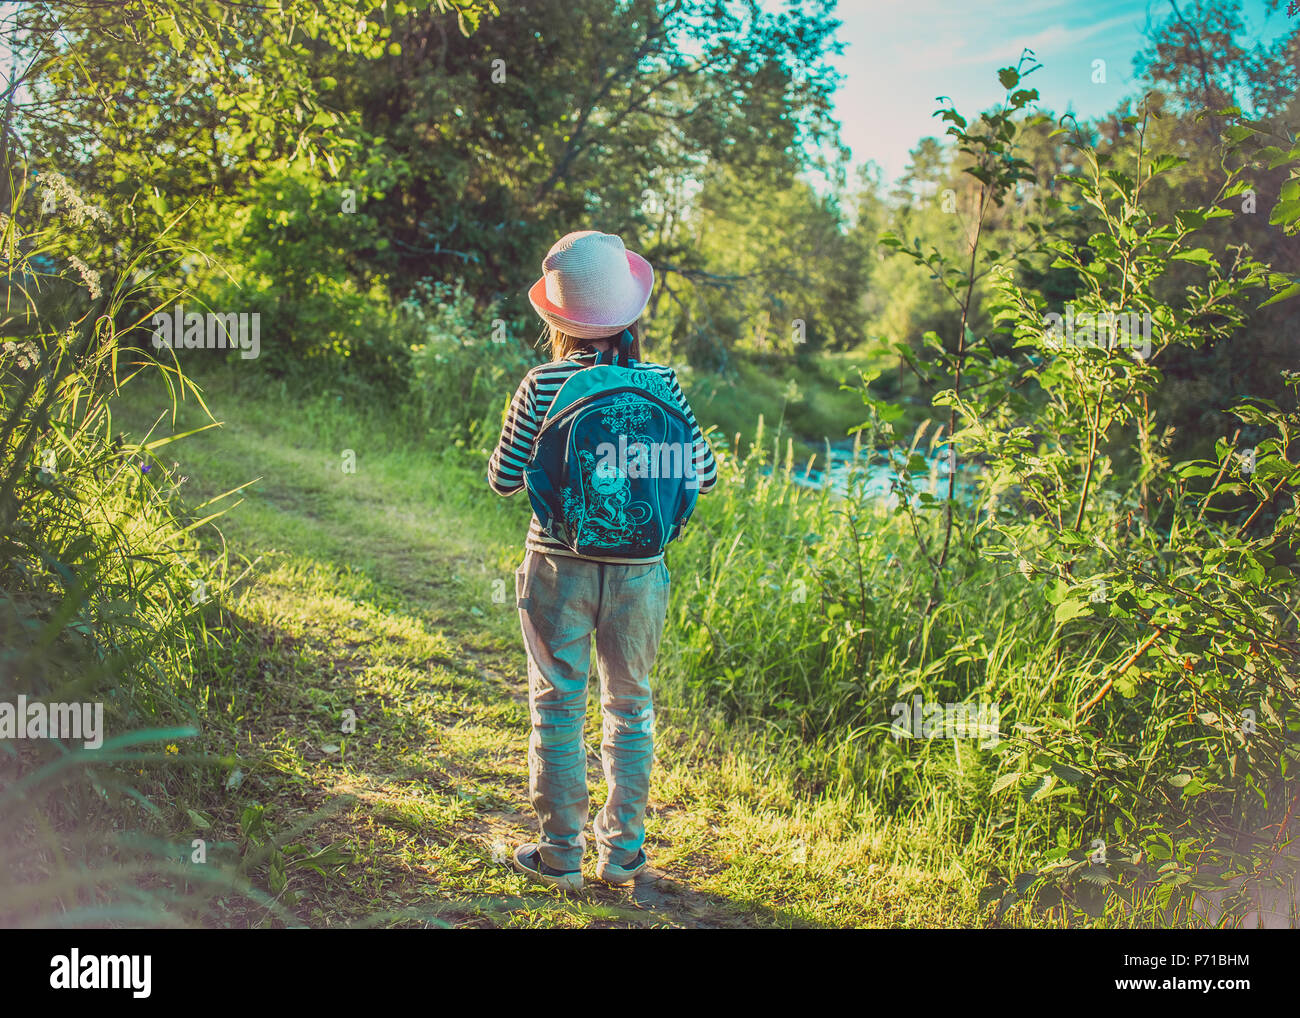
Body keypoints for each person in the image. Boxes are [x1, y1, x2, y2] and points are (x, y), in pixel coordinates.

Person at [486, 230, 717, 890]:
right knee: (631, 707)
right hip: (642, 570)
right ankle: (622, 854)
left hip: (559, 566)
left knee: (557, 706)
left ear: (559, 318)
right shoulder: (663, 382)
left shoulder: (543, 382)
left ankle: (559, 855)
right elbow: (704, 476)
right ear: (629, 311)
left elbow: (505, 480)